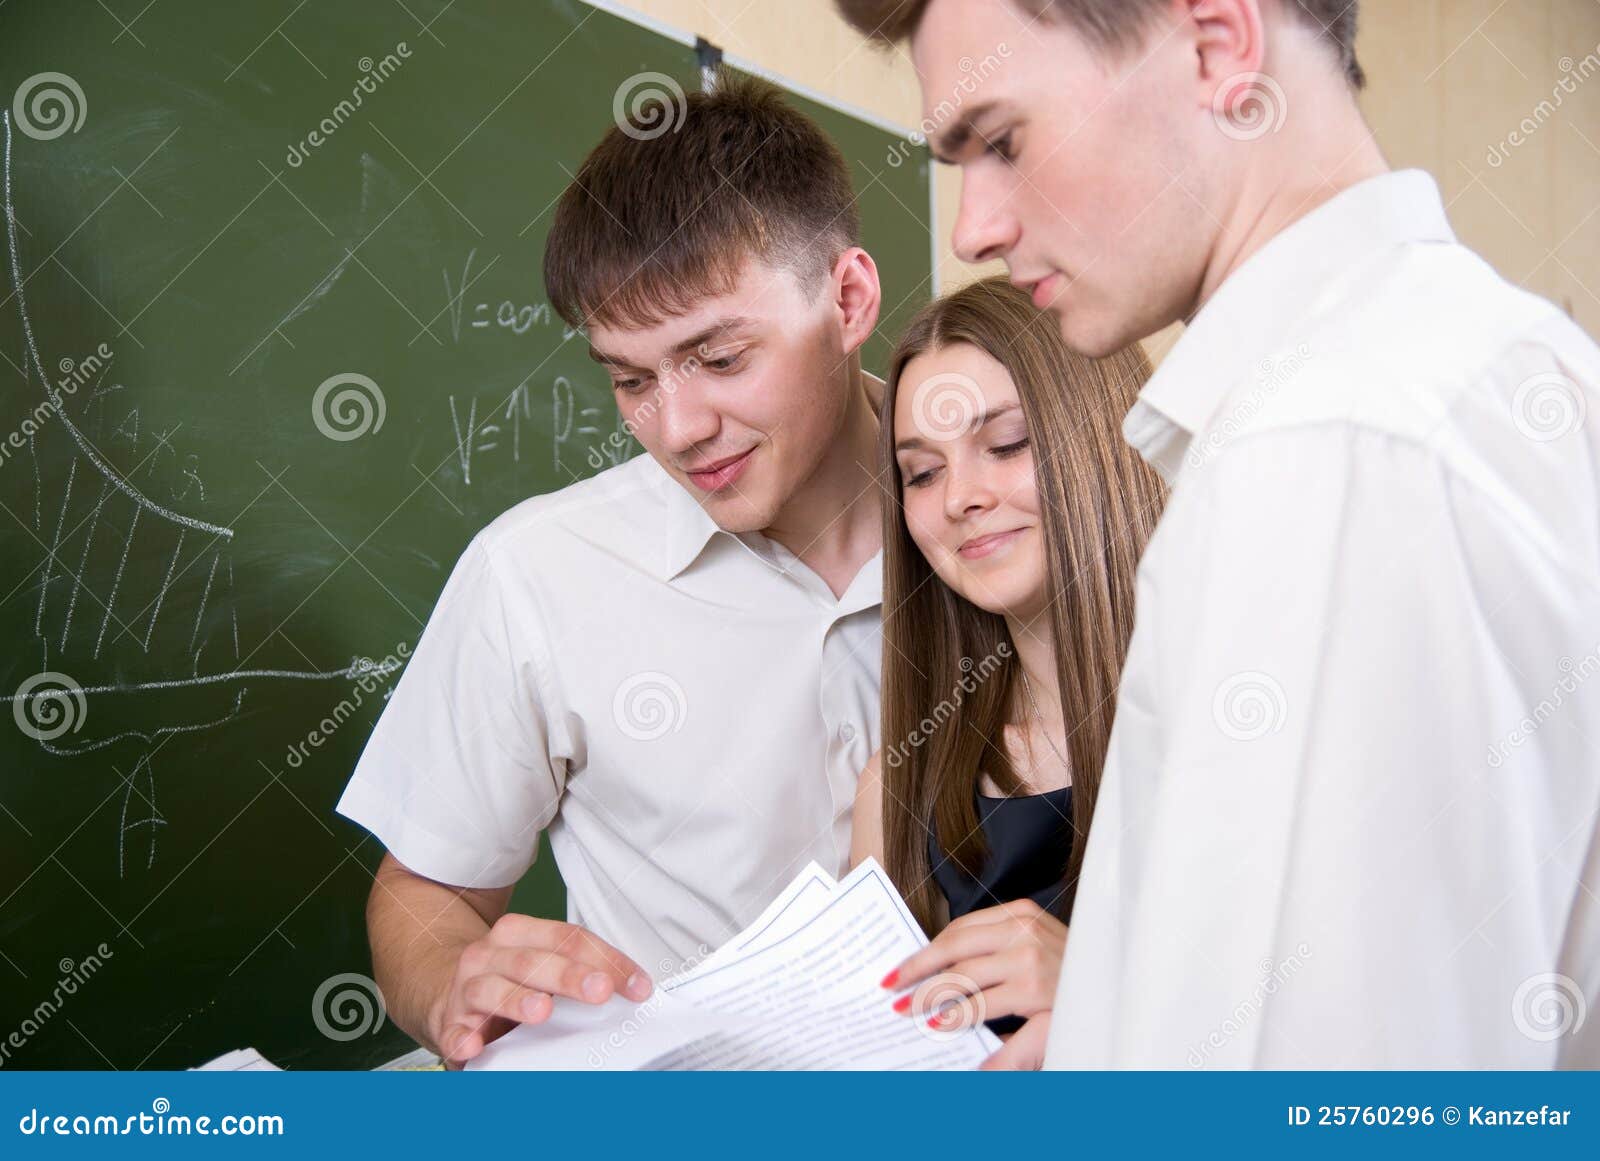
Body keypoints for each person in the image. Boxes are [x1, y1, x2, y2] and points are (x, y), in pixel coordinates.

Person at [838, 0, 1600, 1067]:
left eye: (1003, 142)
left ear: (1216, 44)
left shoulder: (1324, 451)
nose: (973, 228)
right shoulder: (1504, 366)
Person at [335, 73, 888, 1066]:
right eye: (630, 379)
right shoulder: (534, 573)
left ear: (847, 299)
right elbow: (427, 898)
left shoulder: (1012, 507)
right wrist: (453, 982)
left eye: (720, 359)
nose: (675, 430)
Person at [849, 276, 1164, 1069]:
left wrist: (1103, 991)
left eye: (1007, 442)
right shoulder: (895, 787)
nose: (960, 497)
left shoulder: (1247, 726)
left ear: (1101, 439)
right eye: (921, 472)